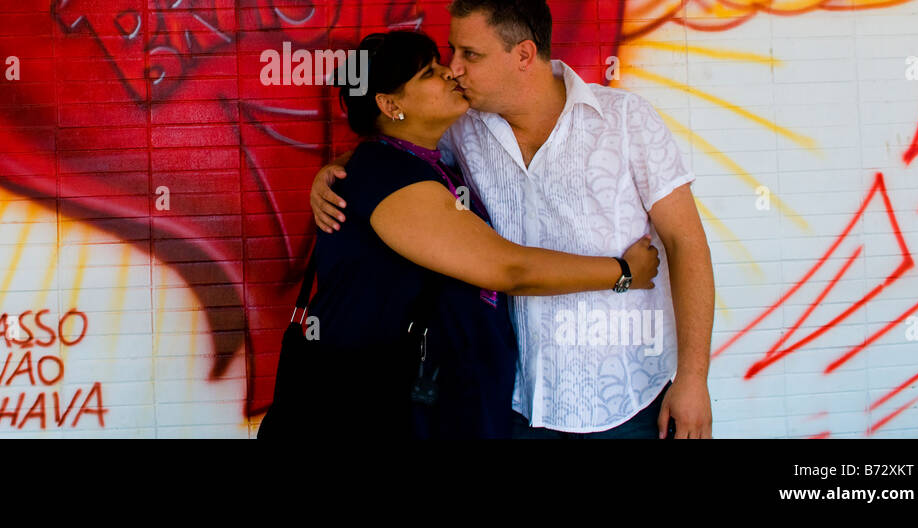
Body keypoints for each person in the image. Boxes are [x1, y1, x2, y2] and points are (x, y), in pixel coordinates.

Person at [312, 0, 715, 439]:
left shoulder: (626, 120)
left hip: (630, 401)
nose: (454, 69)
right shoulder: (463, 128)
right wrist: (333, 171)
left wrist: (693, 379)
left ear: (524, 55)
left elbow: (686, 244)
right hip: (516, 406)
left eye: (471, 55)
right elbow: (395, 151)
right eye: (450, 53)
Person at [267, 29, 660, 439]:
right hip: (376, 412)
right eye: (429, 73)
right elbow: (509, 269)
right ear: (390, 103)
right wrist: (622, 272)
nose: (451, 72)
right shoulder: (386, 176)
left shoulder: (413, 165)